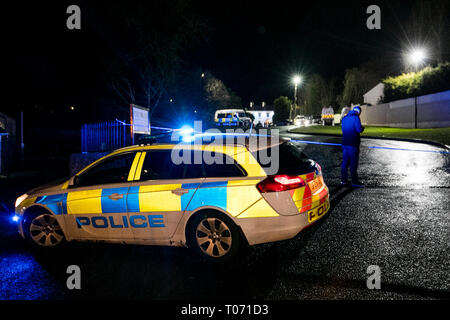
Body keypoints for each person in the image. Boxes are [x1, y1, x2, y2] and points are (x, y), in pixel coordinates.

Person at [341, 106, 364, 187]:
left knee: (345, 162)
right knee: (353, 163)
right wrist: (362, 128)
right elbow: (358, 129)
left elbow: (343, 129)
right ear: (358, 112)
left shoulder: (344, 118)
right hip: (353, 143)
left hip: (345, 143)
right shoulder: (356, 117)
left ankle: (344, 180)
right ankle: (354, 181)